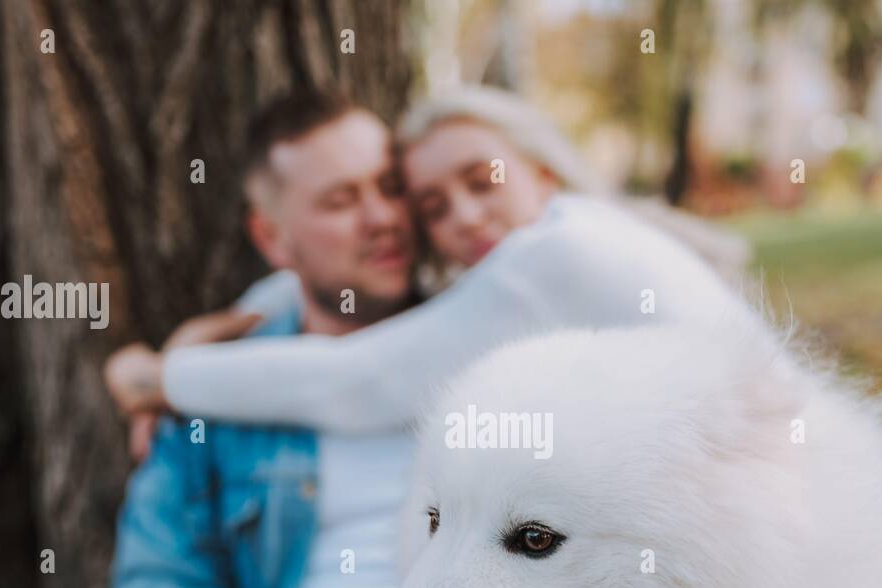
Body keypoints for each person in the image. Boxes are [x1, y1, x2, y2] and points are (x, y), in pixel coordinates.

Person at [109, 88, 492, 588]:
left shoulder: (492, 346)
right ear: (272, 237)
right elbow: (156, 587)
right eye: (340, 201)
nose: (383, 217)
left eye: (389, 188)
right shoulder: (222, 391)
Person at [105, 85, 753, 433]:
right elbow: (296, 291)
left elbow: (357, 380)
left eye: (483, 181)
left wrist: (158, 379)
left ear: (543, 174)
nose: (464, 219)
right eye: (433, 208)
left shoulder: (553, 256)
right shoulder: (573, 242)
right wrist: (225, 323)